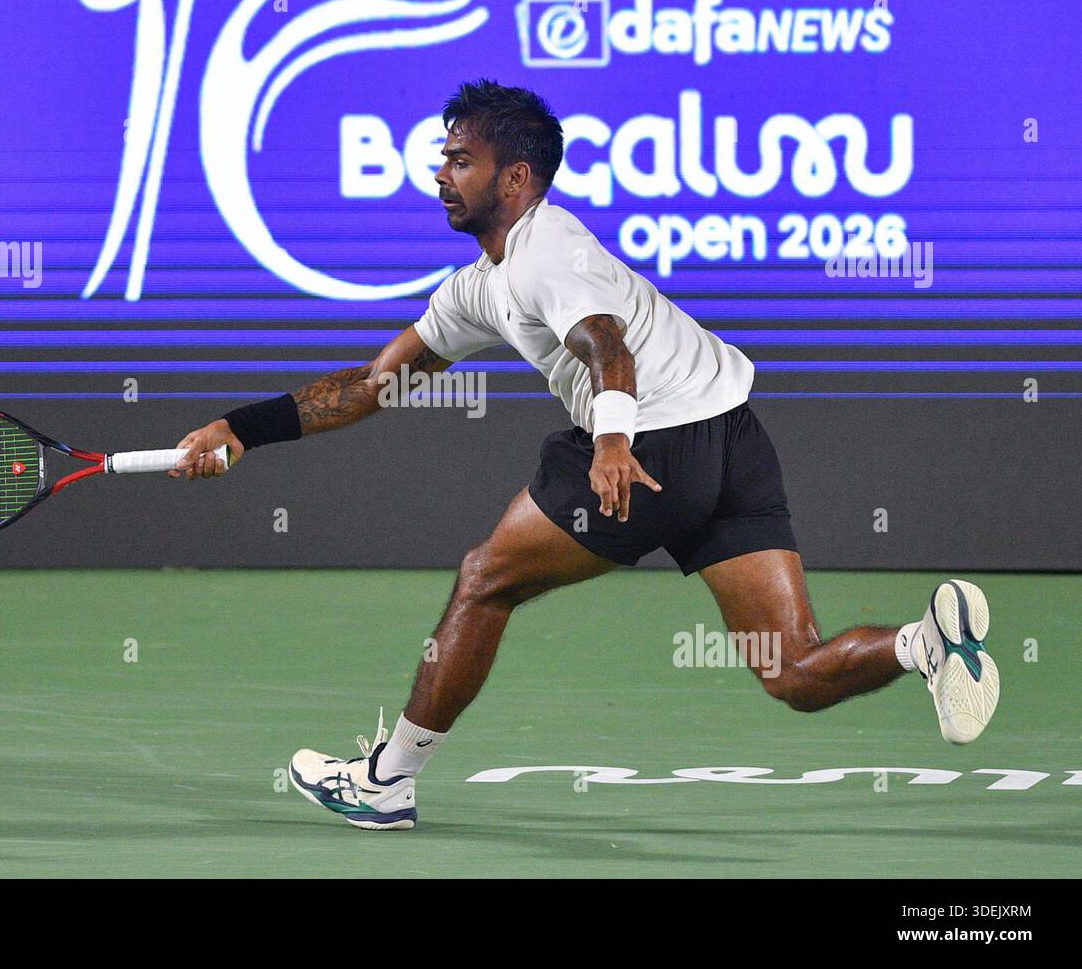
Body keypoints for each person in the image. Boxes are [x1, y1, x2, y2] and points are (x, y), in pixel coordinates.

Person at [171, 79, 1000, 830]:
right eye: (441, 157)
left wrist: (609, 439)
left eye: (461, 159)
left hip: (648, 442)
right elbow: (375, 383)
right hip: (734, 436)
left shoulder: (546, 249)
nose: (440, 173)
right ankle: (922, 644)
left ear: (517, 178)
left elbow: (605, 341)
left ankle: (388, 781)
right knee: (789, 668)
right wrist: (241, 429)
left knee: (484, 580)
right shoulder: (481, 284)